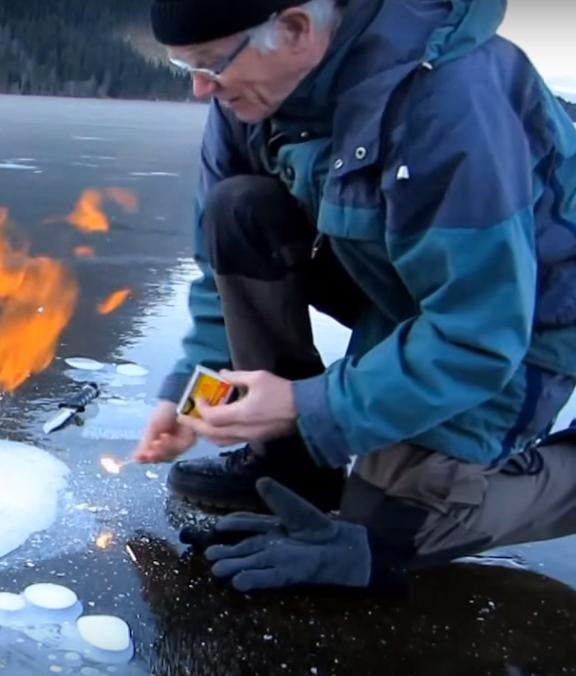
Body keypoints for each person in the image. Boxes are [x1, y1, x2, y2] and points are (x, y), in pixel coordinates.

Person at [133, 0, 576, 594]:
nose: (199, 89)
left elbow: (481, 335)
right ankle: (290, 461)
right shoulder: (249, 94)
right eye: (184, 67)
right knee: (237, 209)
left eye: (211, 65)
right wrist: (193, 396)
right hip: (409, 283)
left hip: (533, 318)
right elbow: (220, 268)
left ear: (293, 30)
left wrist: (307, 405)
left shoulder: (449, 101)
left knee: (386, 529)